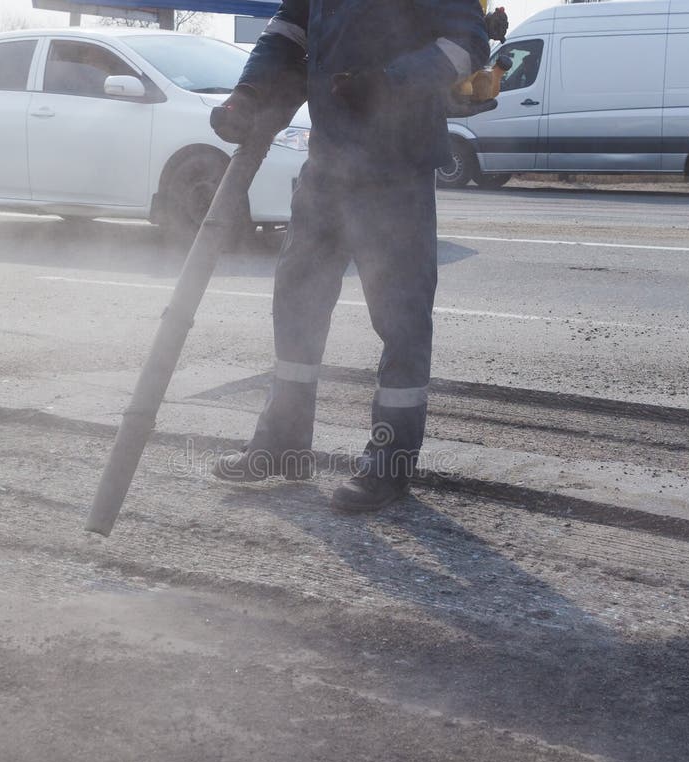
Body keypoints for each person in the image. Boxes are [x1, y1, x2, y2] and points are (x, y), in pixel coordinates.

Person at [210, 0, 490, 512]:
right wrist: (248, 92)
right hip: (327, 166)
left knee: (400, 320)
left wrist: (389, 82)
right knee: (298, 304)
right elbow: (289, 35)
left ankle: (391, 464)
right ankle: (284, 444)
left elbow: (465, 44)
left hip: (397, 169)